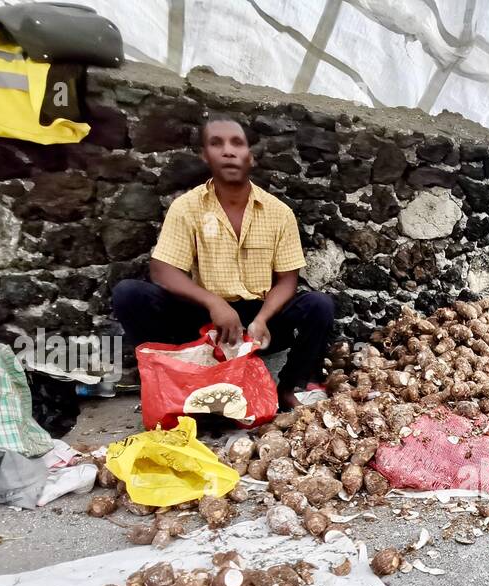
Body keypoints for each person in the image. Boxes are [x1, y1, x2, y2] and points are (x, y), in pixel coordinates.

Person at [111, 114, 335, 409]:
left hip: (259, 320)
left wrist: (263, 319)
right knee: (129, 294)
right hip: (204, 317)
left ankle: (290, 385)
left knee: (320, 305)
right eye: (217, 144)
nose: (228, 151)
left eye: (237, 143)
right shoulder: (187, 207)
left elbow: (288, 280)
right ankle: (167, 382)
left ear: (250, 157)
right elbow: (162, 270)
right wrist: (214, 303)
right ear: (205, 156)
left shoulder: (278, 212)